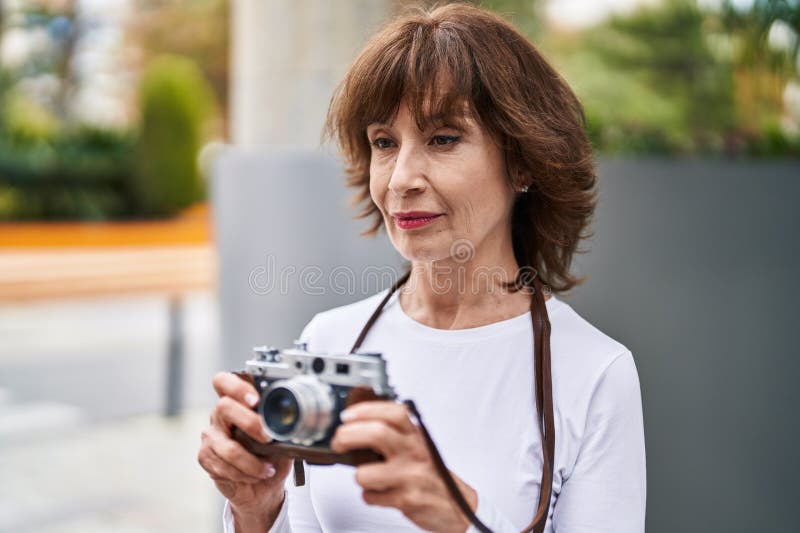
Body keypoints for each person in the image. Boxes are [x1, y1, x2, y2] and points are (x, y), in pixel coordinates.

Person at [198, 3, 646, 532]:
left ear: (524, 160)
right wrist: (256, 508)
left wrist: (458, 518)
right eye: (384, 143)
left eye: (442, 139)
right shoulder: (331, 340)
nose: (401, 178)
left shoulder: (593, 373)